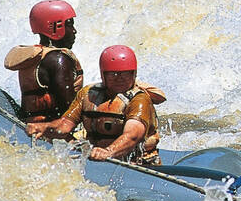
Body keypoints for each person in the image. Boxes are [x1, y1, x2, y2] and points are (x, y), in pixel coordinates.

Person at [26, 45, 167, 164]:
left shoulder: (139, 99)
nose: (120, 79)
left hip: (138, 163)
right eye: (113, 74)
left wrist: (108, 152)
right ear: (103, 74)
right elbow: (64, 126)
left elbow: (133, 135)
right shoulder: (88, 94)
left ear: (134, 74)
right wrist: (43, 128)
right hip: (98, 159)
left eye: (126, 74)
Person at [4, 0, 83, 121]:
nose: (74, 30)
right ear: (56, 27)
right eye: (69, 24)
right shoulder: (57, 59)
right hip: (51, 128)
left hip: (32, 124)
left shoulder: (37, 55)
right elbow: (68, 108)